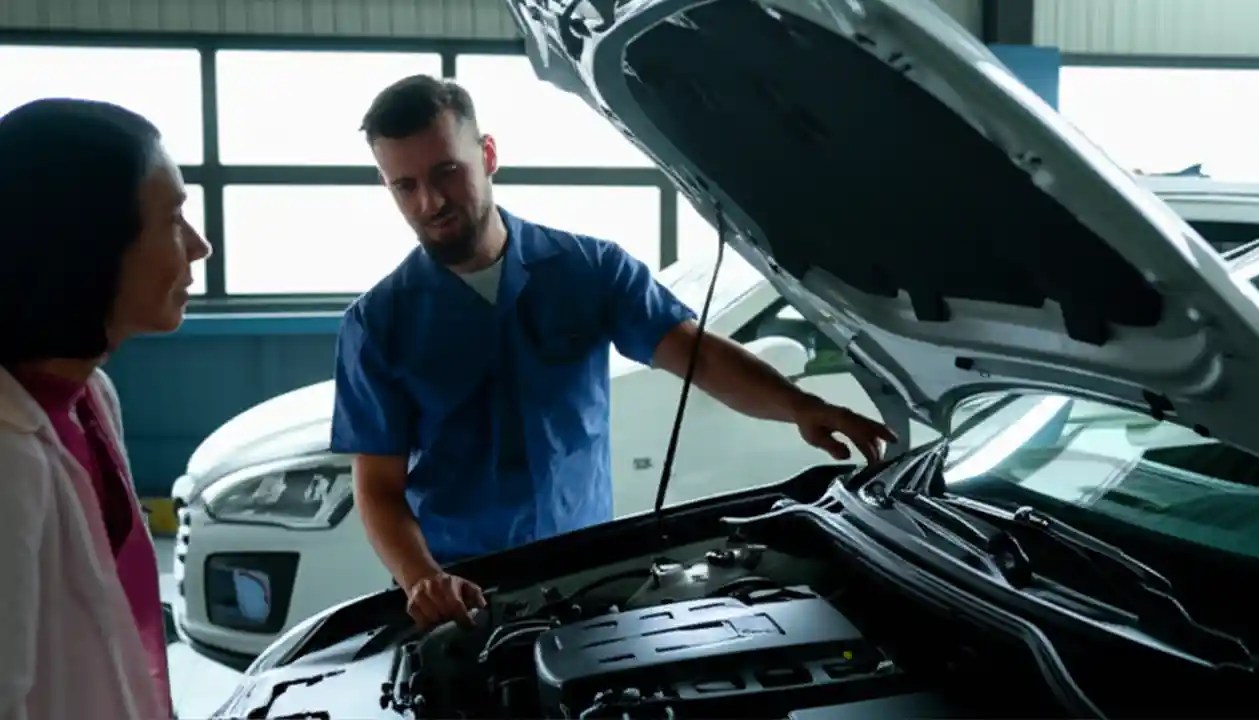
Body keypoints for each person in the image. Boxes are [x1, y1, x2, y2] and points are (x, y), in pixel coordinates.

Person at [331, 75, 896, 629]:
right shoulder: (379, 324)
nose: (430, 201)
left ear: (488, 154)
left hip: (587, 577)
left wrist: (799, 405)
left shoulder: (589, 271)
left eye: (447, 172)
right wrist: (423, 579)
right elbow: (379, 488)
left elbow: (697, 353)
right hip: (462, 592)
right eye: (405, 186)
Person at [0, 98, 211, 720]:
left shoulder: (91, 397)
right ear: (88, 244)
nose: (198, 247)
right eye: (173, 218)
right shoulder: (8, 460)